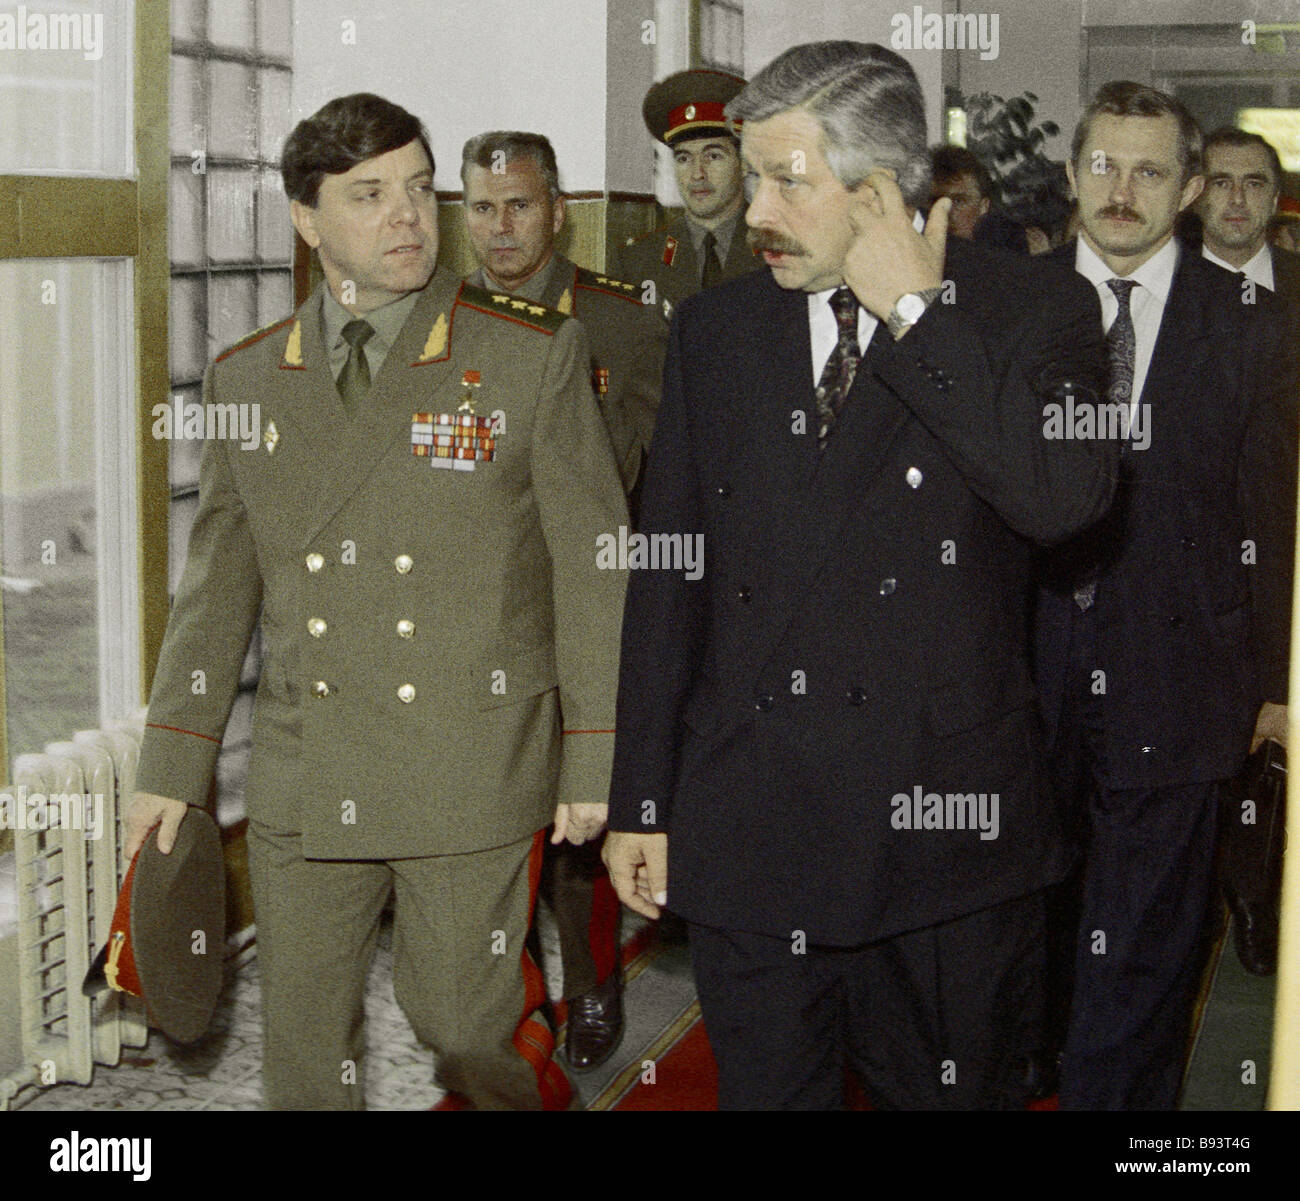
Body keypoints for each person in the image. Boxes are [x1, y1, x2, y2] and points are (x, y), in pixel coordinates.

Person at [603, 40, 1117, 1111]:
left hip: (942, 850)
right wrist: (642, 799)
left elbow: (1063, 503)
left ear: (880, 189)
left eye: (786, 181)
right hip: (754, 829)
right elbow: (669, 577)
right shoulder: (715, 330)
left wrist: (917, 319)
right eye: (751, 178)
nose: (755, 211)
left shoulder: (1036, 311)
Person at [125, 93, 629, 1110]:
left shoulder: (527, 355)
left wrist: (594, 748)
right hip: (311, 762)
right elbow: (216, 586)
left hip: (470, 758)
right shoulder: (251, 379)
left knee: (461, 1023)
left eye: (415, 189)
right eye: (368, 196)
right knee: (303, 1048)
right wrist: (172, 765)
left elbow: (595, 564)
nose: (406, 217)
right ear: (308, 221)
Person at [1036, 82, 1295, 1109]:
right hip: (1025, 685)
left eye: (1148, 171)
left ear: (1188, 188)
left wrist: (1277, 686)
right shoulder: (1014, 307)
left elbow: (1276, 520)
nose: (1120, 189)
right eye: (1101, 164)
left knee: (1139, 963)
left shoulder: (1255, 329)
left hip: (1184, 687)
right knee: (1033, 946)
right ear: (1070, 173)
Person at [460, 129, 666, 1070]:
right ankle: (510, 995)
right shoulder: (444, 321)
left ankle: (592, 990)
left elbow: (667, 477)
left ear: (557, 212)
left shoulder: (622, 324)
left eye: (520, 205)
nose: (501, 228)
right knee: (488, 823)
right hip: (480, 619)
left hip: (586, 610)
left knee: (580, 828)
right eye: (482, 207)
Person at [1196, 126, 1296, 976]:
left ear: (1274, 197)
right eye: (1220, 181)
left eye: (1253, 183)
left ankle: (1260, 905)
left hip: (1284, 563)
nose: (1236, 199)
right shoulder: (1155, 295)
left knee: (1275, 750)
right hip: (1181, 574)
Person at [614, 68, 761, 321]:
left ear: (745, 162)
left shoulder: (775, 249)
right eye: (684, 158)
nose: (697, 174)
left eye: (713, 155)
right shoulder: (639, 260)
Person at [930, 143, 1029, 253]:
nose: (947, 211)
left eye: (958, 201)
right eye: (936, 201)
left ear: (983, 206)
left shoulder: (1005, 258)